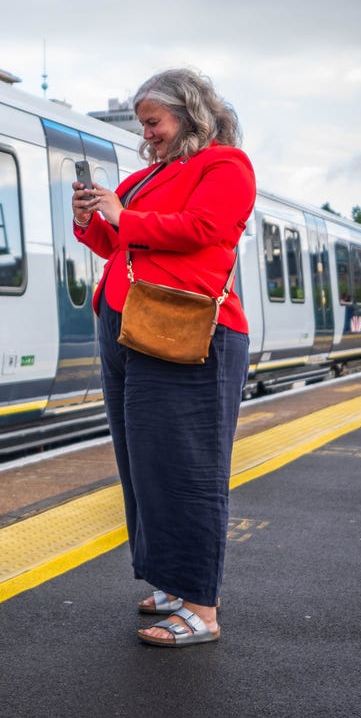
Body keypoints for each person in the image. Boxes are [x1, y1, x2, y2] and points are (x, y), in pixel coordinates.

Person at [71, 68, 255, 648]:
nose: (146, 134)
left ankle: (202, 607)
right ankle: (173, 583)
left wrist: (123, 216)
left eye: (154, 122)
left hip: (189, 329)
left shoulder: (225, 165)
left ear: (190, 114)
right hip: (126, 325)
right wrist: (91, 219)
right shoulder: (148, 177)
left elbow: (207, 228)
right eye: (144, 125)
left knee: (187, 470)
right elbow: (116, 241)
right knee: (144, 466)